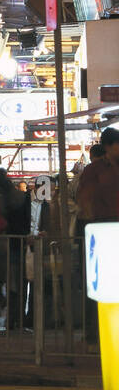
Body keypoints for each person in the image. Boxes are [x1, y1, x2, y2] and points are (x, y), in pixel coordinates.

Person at [75, 129, 119, 345]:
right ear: (109, 147)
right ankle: (95, 332)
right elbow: (84, 199)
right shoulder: (95, 171)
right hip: (103, 229)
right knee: (99, 284)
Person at [0, 168, 31, 332]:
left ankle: (8, 317)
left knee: (1, 282)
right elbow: (27, 221)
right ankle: (16, 319)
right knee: (18, 284)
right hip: (18, 244)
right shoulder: (22, 198)